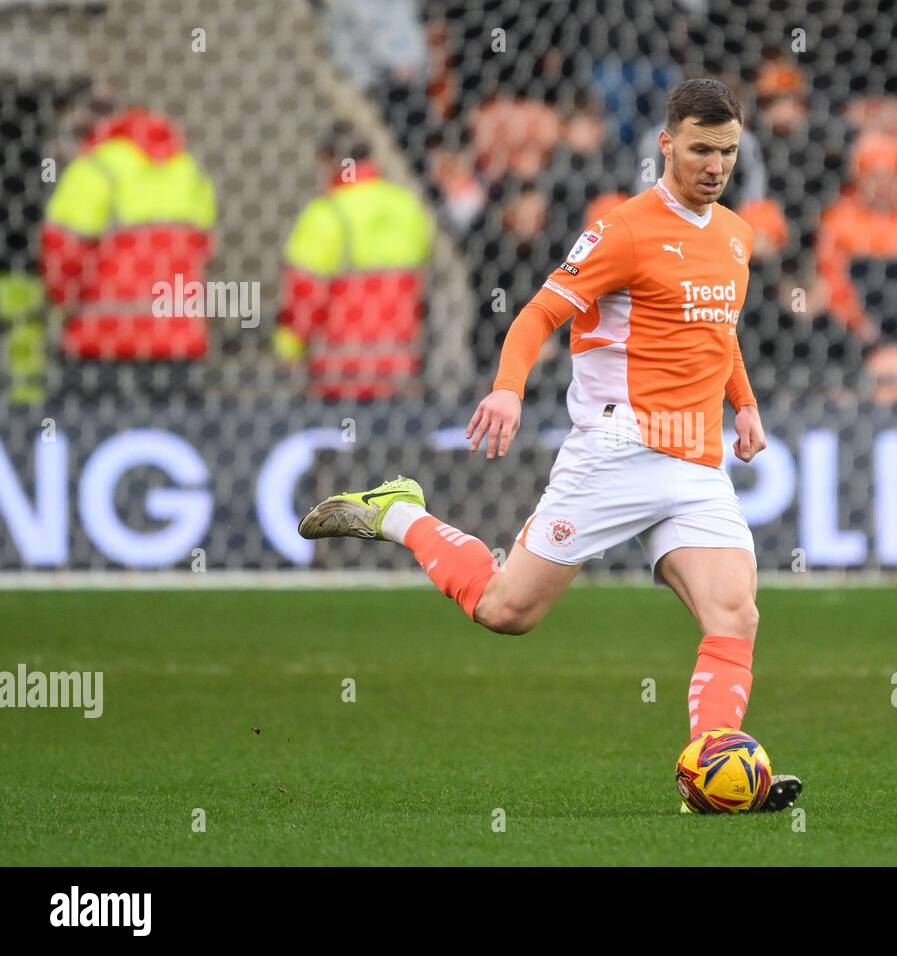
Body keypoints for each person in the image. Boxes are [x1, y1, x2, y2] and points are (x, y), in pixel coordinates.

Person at [297, 79, 800, 812]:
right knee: (506, 611)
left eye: (725, 151)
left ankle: (708, 772)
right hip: (617, 448)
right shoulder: (622, 230)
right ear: (666, 144)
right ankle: (399, 513)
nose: (714, 165)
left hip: (696, 460)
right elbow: (537, 313)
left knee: (736, 614)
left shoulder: (736, 235)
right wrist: (507, 386)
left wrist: (745, 407)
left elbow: (717, 333)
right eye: (699, 149)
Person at [41, 107, 215, 397]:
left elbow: (62, 249)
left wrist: (64, 301)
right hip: (175, 338)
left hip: (99, 337)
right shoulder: (187, 170)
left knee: (83, 427)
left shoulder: (95, 168)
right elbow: (205, 248)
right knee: (173, 430)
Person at [274, 123, 433, 401]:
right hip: (399, 364)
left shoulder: (325, 215)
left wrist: (288, 350)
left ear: (327, 162)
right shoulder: (407, 206)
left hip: (341, 369)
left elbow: (303, 296)